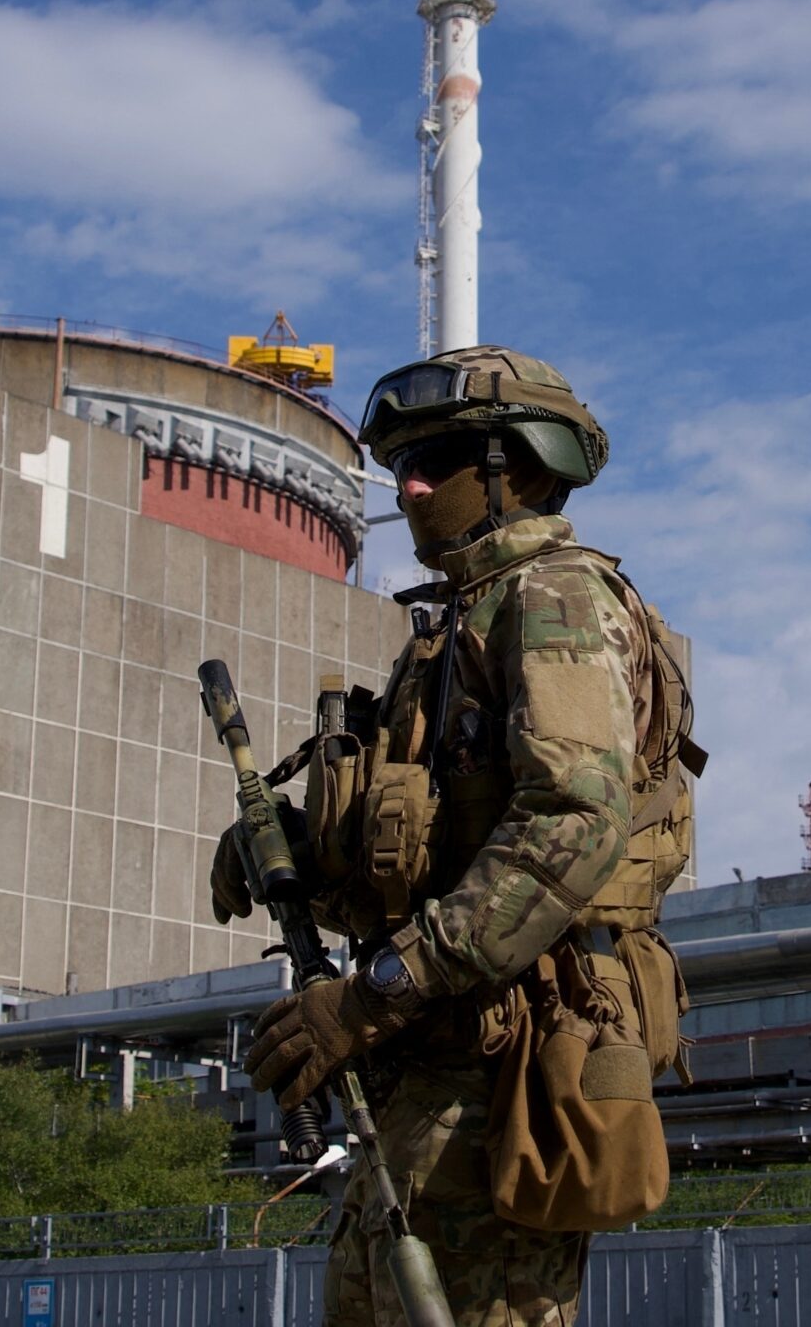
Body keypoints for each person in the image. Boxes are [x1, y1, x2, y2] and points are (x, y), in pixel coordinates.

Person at [214, 345, 700, 1326]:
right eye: (401, 463)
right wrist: (299, 852)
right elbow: (436, 843)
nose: (410, 485)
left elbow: (573, 822)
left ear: (513, 467)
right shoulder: (457, 626)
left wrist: (375, 992)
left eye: (435, 459)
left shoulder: (552, 600)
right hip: (427, 1067)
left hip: (505, 1067)